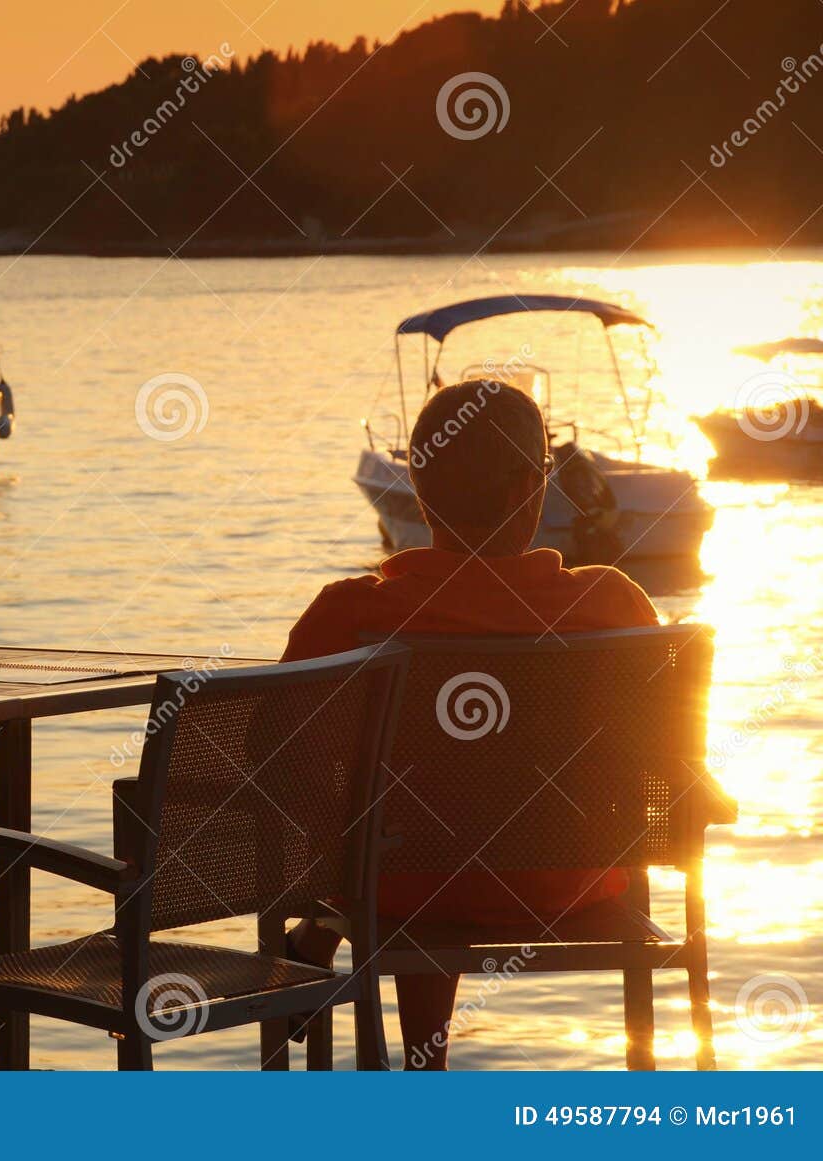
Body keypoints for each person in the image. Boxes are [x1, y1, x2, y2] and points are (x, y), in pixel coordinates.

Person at [280, 379, 659, 1069]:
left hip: (402, 891)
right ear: (526, 488)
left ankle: (410, 1049)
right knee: (451, 824)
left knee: (408, 836)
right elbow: (663, 752)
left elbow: (273, 755)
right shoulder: (613, 605)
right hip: (566, 883)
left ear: (419, 488)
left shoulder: (351, 614)